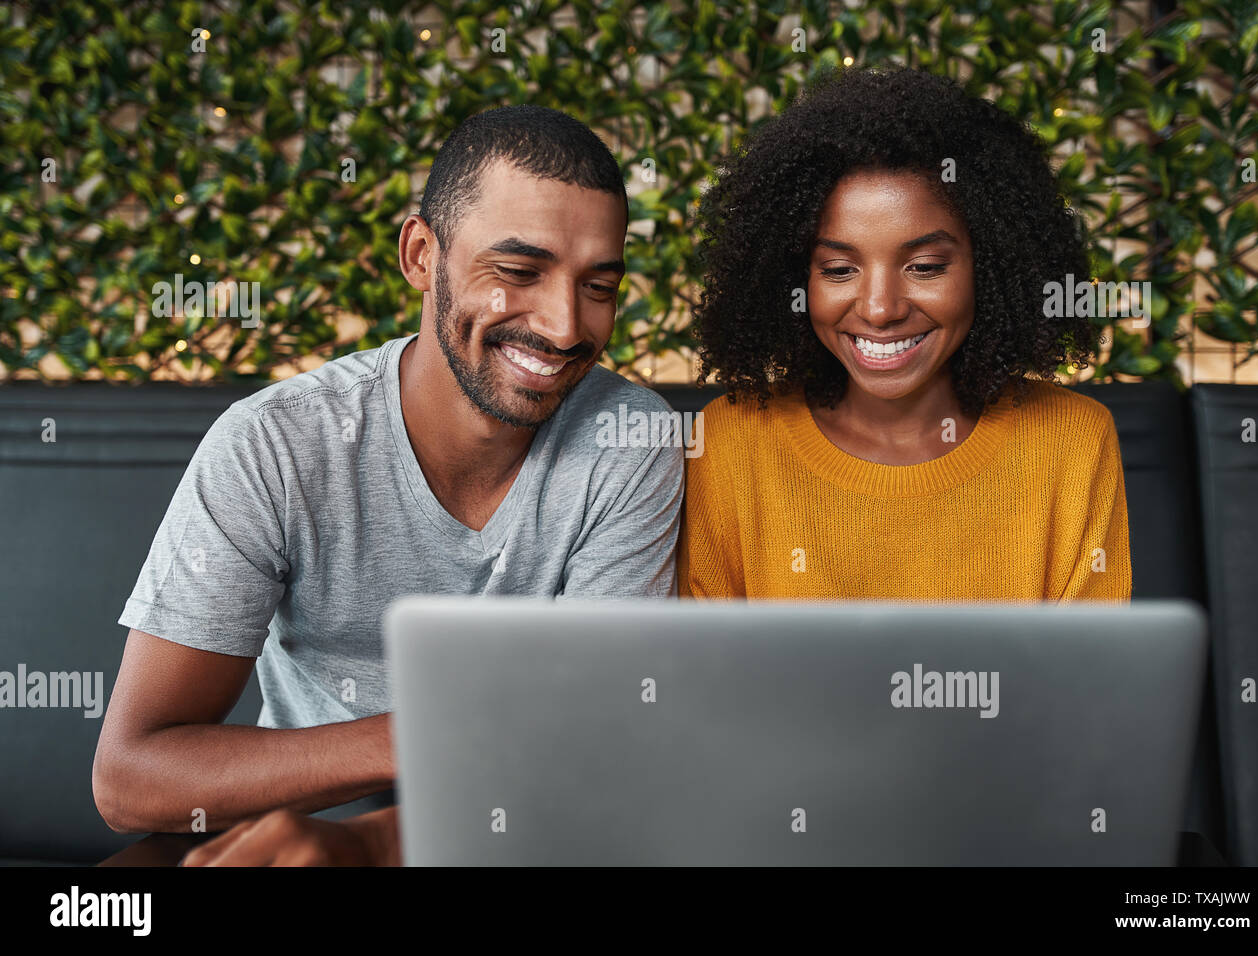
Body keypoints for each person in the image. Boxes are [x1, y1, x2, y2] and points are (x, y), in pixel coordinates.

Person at [93, 105, 685, 864]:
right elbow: (131, 780)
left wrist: (371, 846)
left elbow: (597, 761)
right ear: (420, 255)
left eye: (597, 285)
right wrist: (425, 736)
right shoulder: (274, 444)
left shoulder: (629, 443)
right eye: (518, 272)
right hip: (293, 838)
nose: (566, 325)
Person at [678, 67, 1131, 601]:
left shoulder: (1071, 441)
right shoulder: (732, 443)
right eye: (839, 270)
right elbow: (710, 677)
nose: (880, 309)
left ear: (993, 266)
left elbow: (1088, 680)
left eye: (926, 267)